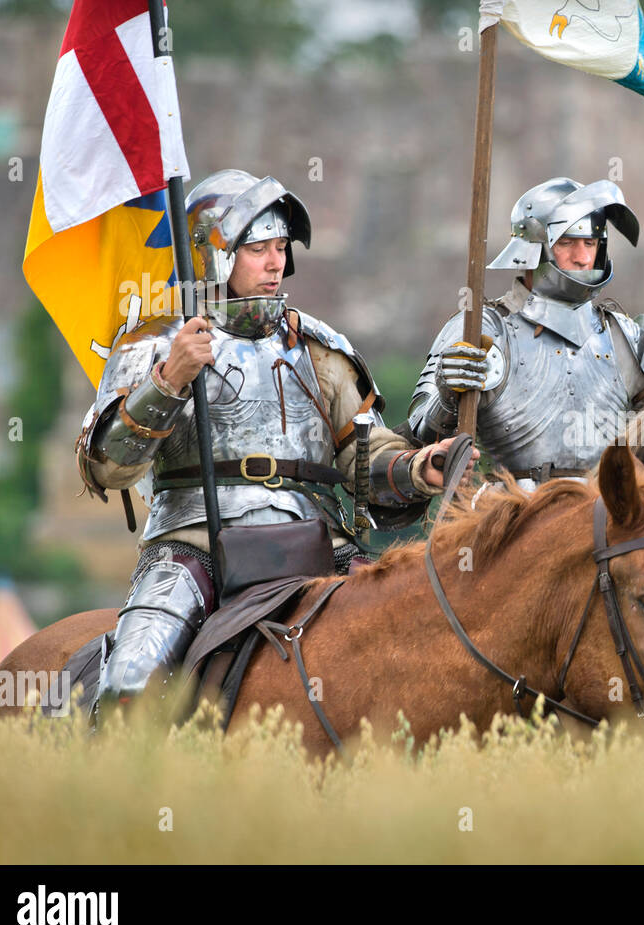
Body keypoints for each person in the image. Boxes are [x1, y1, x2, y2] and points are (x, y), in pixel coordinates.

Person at [77, 169, 473, 714]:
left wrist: (416, 468)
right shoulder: (155, 343)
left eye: (281, 246)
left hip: (317, 543)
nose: (275, 262)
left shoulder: (318, 346)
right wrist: (167, 382)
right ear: (213, 255)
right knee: (132, 684)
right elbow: (106, 469)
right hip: (194, 548)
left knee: (425, 646)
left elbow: (363, 459)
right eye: (256, 247)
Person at [407, 177, 644, 487]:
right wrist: (446, 395)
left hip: (607, 515)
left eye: (590, 243)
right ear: (531, 249)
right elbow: (419, 440)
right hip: (509, 514)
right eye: (567, 243)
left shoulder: (625, 336)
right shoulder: (483, 329)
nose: (583, 257)